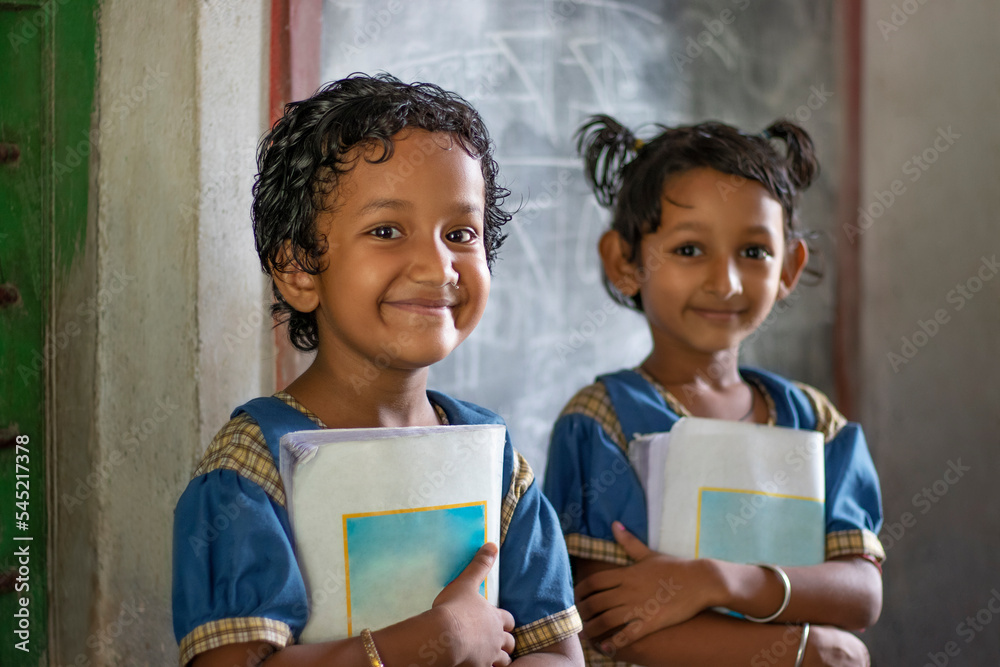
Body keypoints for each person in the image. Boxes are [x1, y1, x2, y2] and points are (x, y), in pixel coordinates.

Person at [172, 73, 584, 667]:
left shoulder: (494, 463)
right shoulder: (253, 469)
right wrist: (424, 645)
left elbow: (559, 656)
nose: (437, 264)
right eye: (387, 231)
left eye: (461, 233)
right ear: (299, 270)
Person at [543, 115, 883, 666]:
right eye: (689, 250)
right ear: (624, 262)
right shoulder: (600, 421)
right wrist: (799, 649)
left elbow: (861, 595)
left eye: (753, 252)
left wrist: (717, 580)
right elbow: (611, 623)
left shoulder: (818, 422)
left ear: (789, 268)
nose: (724, 282)